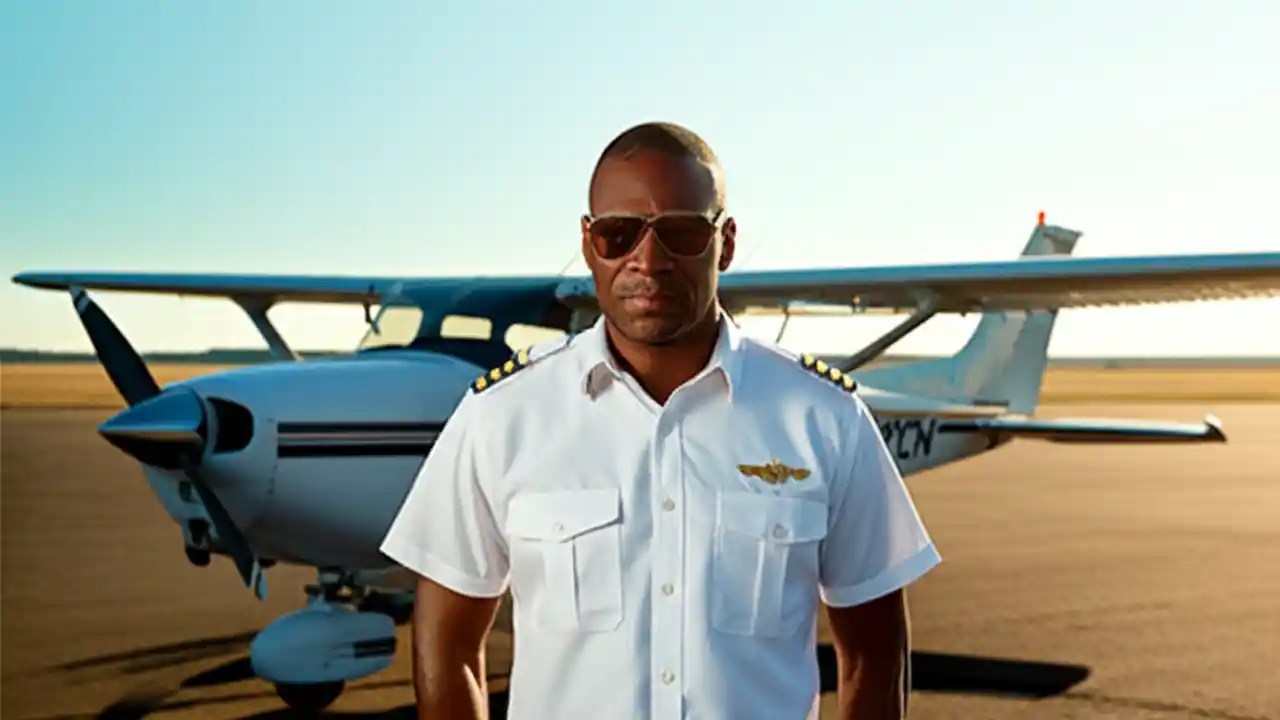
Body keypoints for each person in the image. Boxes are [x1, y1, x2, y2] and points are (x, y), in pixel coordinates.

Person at [379, 121, 941, 719]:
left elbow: (876, 656)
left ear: (725, 242)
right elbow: (447, 643)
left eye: (681, 233)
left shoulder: (824, 418)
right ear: (589, 242)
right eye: (618, 235)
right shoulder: (501, 417)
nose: (649, 260)